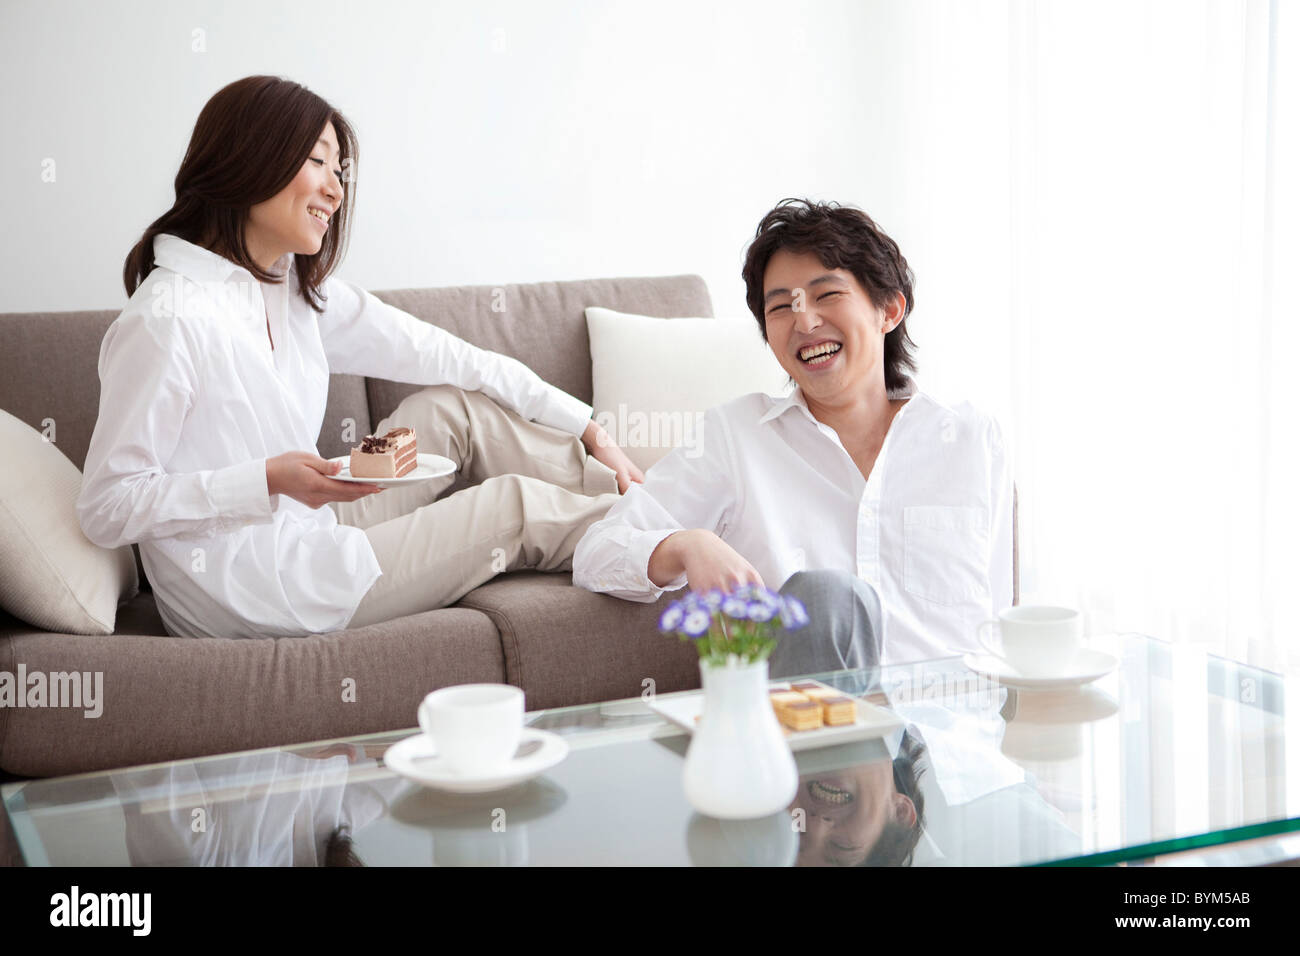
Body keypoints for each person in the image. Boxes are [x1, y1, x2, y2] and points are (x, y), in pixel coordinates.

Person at [76, 75, 643, 640]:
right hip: (252, 590)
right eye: (319, 163)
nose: (336, 191)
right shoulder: (166, 319)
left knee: (451, 411)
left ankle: (637, 495)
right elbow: (106, 504)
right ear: (250, 159)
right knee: (514, 509)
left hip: (310, 529)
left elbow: (447, 354)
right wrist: (266, 481)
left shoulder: (294, 292)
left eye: (339, 172)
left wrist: (590, 427)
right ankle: (666, 536)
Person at [574, 198, 1014, 669]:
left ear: (889, 310)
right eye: (782, 306)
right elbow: (596, 554)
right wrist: (687, 544)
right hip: (812, 728)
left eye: (827, 295)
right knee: (822, 594)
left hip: (947, 731)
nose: (805, 322)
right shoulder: (735, 438)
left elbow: (1003, 627)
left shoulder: (971, 440)